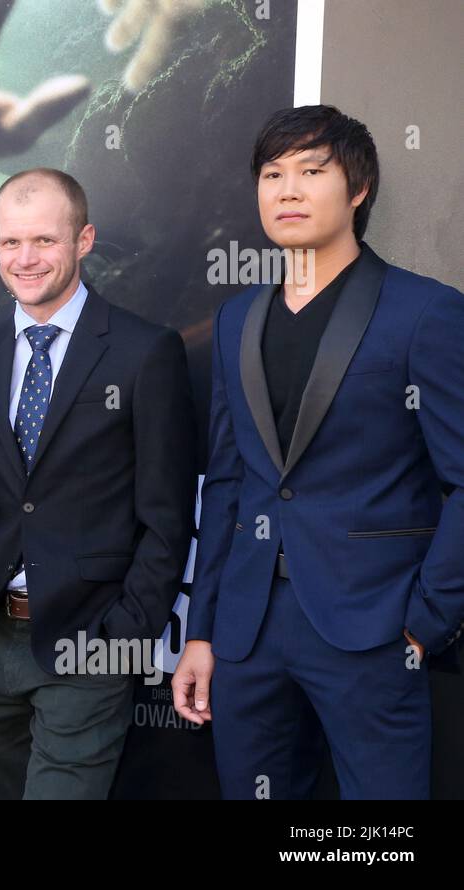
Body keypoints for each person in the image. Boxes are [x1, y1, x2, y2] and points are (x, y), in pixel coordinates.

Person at [173, 105, 464, 799]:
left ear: (358, 188)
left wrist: (426, 621)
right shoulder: (237, 318)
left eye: (311, 171)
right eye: (272, 175)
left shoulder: (425, 312)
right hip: (247, 631)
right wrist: (202, 631)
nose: (288, 191)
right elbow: (228, 482)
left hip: (373, 626)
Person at [0, 168, 196, 799]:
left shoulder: (145, 351)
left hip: (90, 643)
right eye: (10, 242)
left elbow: (167, 516)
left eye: (44, 240)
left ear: (84, 240)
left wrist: (125, 635)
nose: (25, 259)